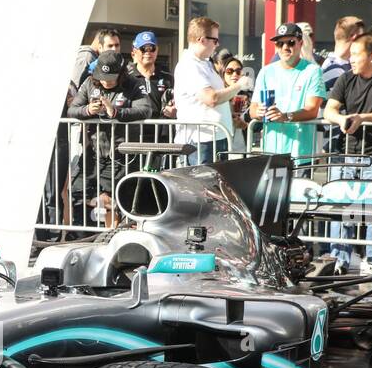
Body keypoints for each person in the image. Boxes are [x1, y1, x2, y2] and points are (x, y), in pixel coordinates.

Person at [323, 32, 372, 270]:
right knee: (340, 207)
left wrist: (363, 118)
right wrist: (341, 119)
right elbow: (329, 110)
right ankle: (339, 259)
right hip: (345, 154)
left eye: (356, 54)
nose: (351, 58)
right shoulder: (346, 78)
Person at [66, 50, 152, 226]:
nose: (106, 80)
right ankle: (85, 231)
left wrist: (116, 112)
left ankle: (112, 233)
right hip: (93, 150)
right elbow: (72, 109)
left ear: (121, 73)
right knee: (77, 190)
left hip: (121, 153)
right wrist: (88, 110)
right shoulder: (90, 82)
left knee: (117, 197)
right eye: (103, 76)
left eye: (110, 76)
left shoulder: (134, 84)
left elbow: (145, 109)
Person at [173, 17, 250, 163]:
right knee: (202, 185)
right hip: (201, 142)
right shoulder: (189, 65)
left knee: (215, 185)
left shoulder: (204, 63)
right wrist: (239, 85)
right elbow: (211, 98)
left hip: (215, 138)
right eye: (215, 40)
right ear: (202, 40)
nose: (217, 44)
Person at [251, 23, 327, 163]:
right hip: (271, 152)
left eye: (291, 42)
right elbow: (253, 110)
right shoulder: (266, 72)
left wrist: (285, 116)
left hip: (301, 153)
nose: (285, 47)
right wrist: (259, 112)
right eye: (280, 43)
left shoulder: (313, 71)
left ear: (300, 43)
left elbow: (312, 110)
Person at [71, 28, 120, 96]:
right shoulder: (87, 57)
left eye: (117, 45)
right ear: (99, 45)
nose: (114, 49)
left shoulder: (97, 58)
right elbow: (74, 87)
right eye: (110, 45)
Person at [223, 57, 251, 153]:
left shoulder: (248, 95)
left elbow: (257, 125)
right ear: (223, 74)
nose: (234, 74)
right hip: (221, 146)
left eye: (238, 71)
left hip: (241, 148)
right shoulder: (218, 94)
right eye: (229, 71)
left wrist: (245, 125)